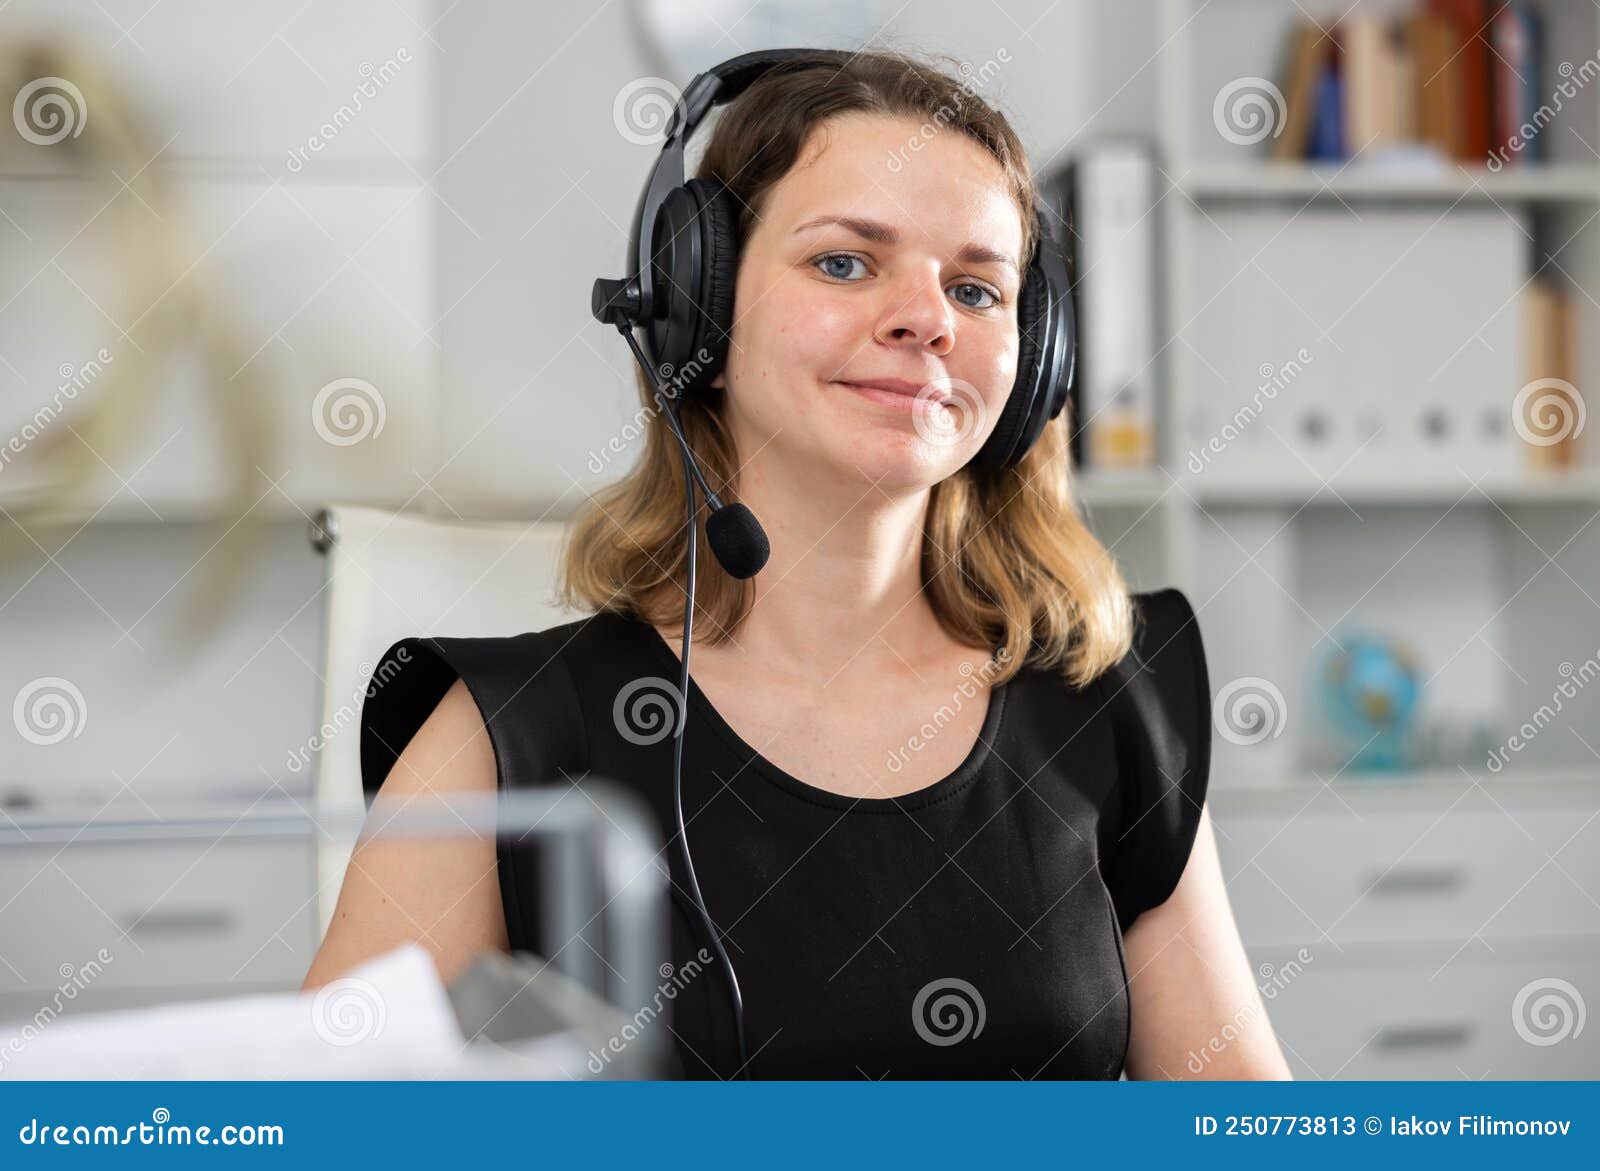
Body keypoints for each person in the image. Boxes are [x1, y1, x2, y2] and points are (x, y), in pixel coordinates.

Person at [303, 48, 1290, 1081]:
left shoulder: (1108, 698)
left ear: (1033, 358)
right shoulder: (504, 735)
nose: (929, 319)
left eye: (974, 286)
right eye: (844, 262)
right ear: (698, 306)